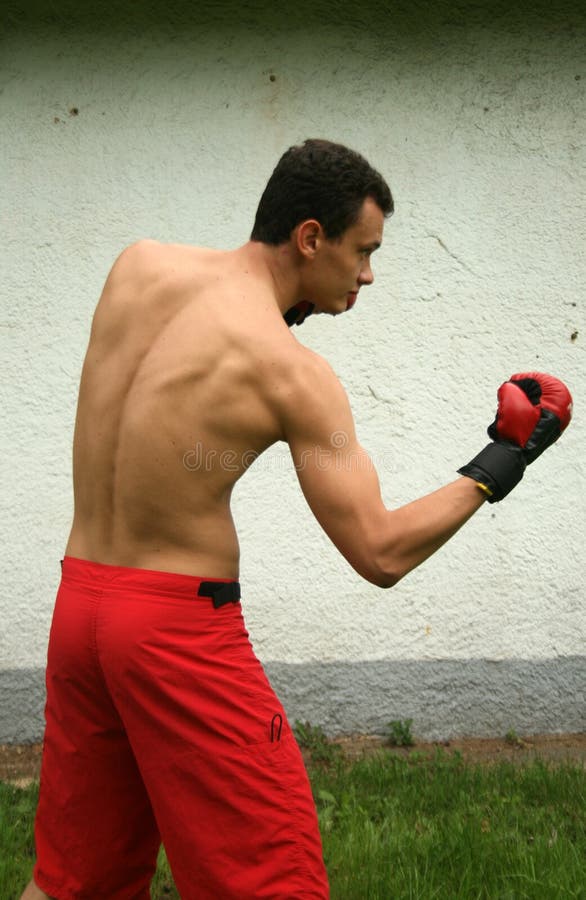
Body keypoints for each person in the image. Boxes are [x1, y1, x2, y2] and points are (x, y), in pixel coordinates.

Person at [22, 139, 571, 900]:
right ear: (310, 237)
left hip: (80, 607)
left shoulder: (137, 267)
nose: (368, 274)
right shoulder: (291, 372)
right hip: (178, 637)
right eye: (363, 252)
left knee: (73, 883)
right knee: (271, 881)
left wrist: (287, 304)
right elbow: (380, 551)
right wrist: (502, 460)